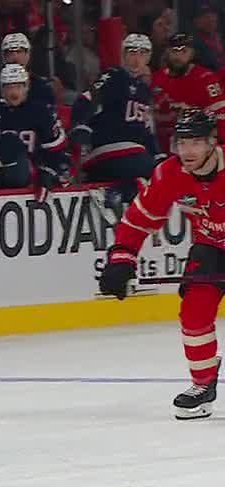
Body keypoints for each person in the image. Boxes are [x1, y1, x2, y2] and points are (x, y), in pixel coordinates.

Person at [100, 110, 225, 419]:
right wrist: (122, 258)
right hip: (210, 248)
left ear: (212, 142)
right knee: (194, 313)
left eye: (196, 143)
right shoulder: (170, 173)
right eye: (182, 143)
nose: (187, 151)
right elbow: (139, 218)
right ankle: (203, 384)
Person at [70, 34, 157, 217]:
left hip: (130, 155)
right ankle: (120, 193)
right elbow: (84, 102)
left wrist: (158, 155)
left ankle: (118, 193)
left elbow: (147, 132)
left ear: (149, 58)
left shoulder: (144, 91)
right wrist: (81, 127)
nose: (137, 58)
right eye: (132, 53)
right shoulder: (112, 76)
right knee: (149, 167)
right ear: (123, 55)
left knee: (158, 171)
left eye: (142, 53)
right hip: (104, 150)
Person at [0, 64, 70, 191]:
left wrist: (49, 174)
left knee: (11, 142)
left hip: (27, 178)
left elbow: (56, 153)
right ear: (2, 90)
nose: (14, 93)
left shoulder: (41, 112)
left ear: (26, 87)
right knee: (7, 142)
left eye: (18, 87)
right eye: (9, 88)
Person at [151, 33, 225, 151]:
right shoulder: (155, 79)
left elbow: (221, 118)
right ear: (167, 53)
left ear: (192, 54)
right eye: (174, 51)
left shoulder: (207, 79)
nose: (178, 56)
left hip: (196, 148)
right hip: (159, 148)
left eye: (184, 51)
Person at [0, 33, 56, 107]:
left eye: (19, 51)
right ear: (3, 56)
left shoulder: (42, 85)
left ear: (27, 54)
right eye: (10, 52)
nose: (15, 56)